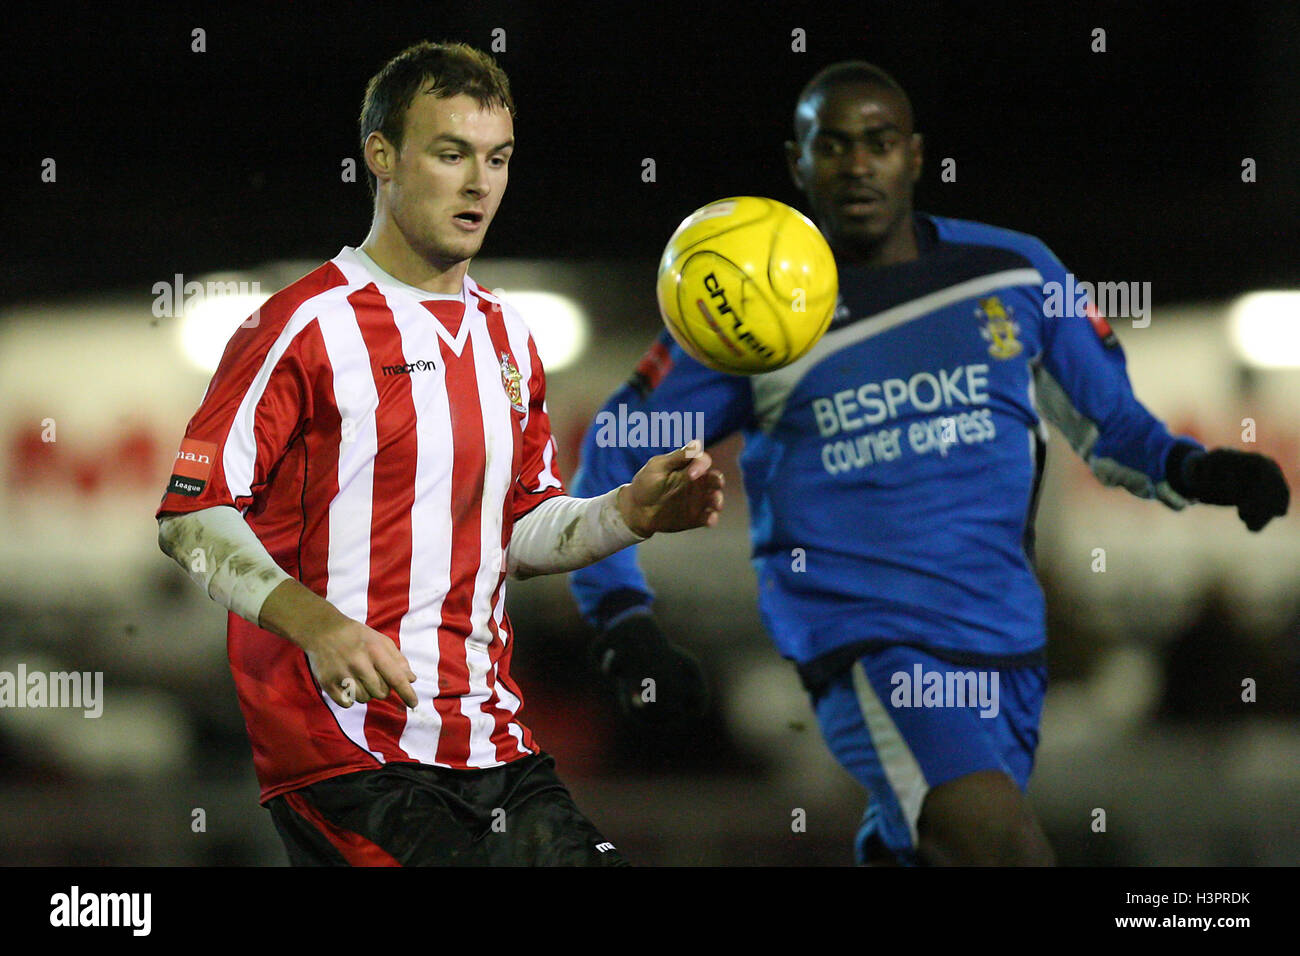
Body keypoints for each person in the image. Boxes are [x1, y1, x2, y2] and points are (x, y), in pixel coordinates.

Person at [568, 61, 1289, 866]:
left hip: (1005, 639)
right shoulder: (755, 311)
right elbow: (617, 446)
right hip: (865, 640)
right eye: (833, 145)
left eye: (878, 142)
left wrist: (1200, 471)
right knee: (998, 844)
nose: (857, 164)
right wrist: (622, 616)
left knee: (931, 848)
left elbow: (1113, 426)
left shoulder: (1014, 272)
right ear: (797, 164)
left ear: (914, 155)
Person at [154, 41, 723, 867]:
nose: (479, 183)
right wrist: (319, 626)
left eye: (498, 158)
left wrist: (626, 513)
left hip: (494, 746)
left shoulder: (508, 335)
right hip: (349, 754)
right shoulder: (302, 325)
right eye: (451, 154)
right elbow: (190, 515)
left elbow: (516, 529)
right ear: (381, 157)